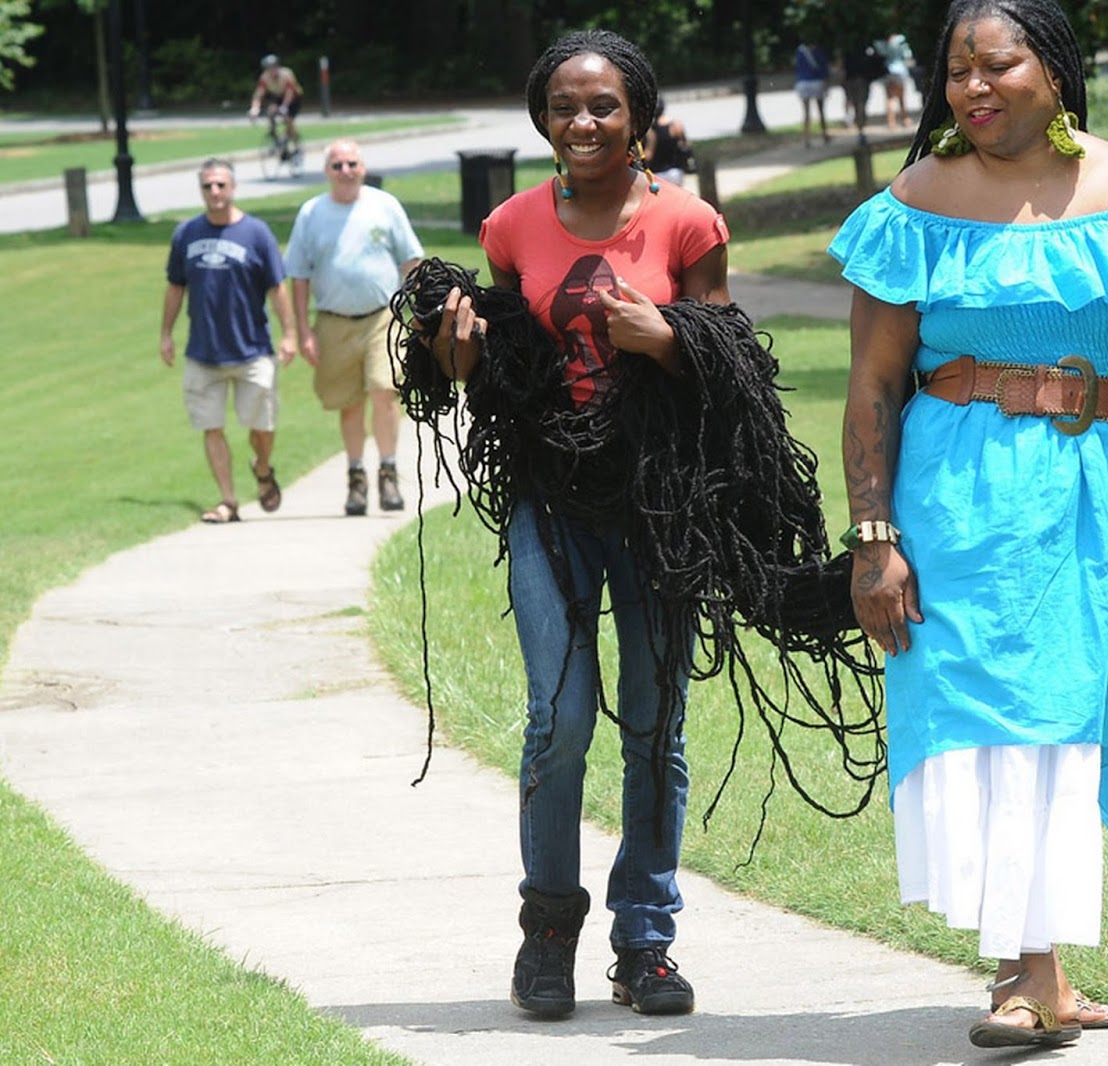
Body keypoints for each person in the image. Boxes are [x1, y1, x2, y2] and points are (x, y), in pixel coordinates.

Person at [832, 0, 1108, 1050]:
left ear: (1052, 67)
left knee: (1062, 722)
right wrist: (875, 538)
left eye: (997, 66)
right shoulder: (914, 204)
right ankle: (1026, 974)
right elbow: (869, 389)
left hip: (1096, 497)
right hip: (952, 500)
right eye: (957, 71)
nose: (973, 89)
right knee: (985, 720)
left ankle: (1038, 966)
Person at [426, 29, 731, 1022]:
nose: (584, 122)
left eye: (603, 105)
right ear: (541, 121)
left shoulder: (689, 225)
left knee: (653, 724)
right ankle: (548, 928)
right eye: (564, 106)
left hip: (659, 508)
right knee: (557, 720)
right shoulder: (510, 225)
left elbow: (734, 373)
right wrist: (460, 357)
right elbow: (505, 369)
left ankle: (646, 940)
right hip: (549, 502)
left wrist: (667, 338)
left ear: (638, 116)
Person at [283, 139, 424, 515]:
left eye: (351, 164)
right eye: (337, 165)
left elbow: (411, 260)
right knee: (349, 403)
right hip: (333, 322)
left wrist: (420, 312)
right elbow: (298, 275)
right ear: (327, 172)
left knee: (384, 391)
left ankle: (389, 471)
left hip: (382, 317)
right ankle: (356, 477)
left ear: (362, 167)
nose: (346, 171)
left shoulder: (384, 206)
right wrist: (302, 331)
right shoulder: (312, 213)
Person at [160, 158, 297, 524]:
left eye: (221, 185)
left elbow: (277, 288)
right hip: (203, 352)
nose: (215, 192)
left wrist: (289, 334)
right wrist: (165, 335)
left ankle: (263, 467)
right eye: (208, 186)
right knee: (212, 426)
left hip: (252, 349)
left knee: (263, 426)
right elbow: (176, 287)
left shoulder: (257, 233)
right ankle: (228, 501)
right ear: (201, 190)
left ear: (233, 187)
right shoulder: (186, 234)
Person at [248, 54, 304, 151]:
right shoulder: (265, 77)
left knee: (288, 121)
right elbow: (258, 93)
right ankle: (275, 137)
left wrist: (284, 106)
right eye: (269, 68)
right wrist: (255, 108)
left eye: (273, 67)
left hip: (294, 98)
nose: (271, 70)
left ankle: (297, 144)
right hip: (279, 97)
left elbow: (289, 91)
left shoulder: (286, 74)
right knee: (271, 111)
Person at [841, 38, 889, 142]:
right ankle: (860, 129)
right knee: (860, 104)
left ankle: (860, 128)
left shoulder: (849, 48)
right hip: (860, 80)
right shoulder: (864, 46)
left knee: (857, 105)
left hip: (854, 79)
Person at [642, 96, 694, 186]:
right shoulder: (675, 126)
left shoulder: (650, 131)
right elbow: (685, 145)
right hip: (675, 172)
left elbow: (649, 155)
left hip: (658, 174)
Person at [793, 40, 832, 148]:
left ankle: (806, 138)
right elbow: (824, 69)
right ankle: (824, 133)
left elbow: (797, 68)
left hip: (803, 83)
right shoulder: (818, 51)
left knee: (806, 112)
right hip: (816, 82)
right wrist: (827, 84)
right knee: (821, 110)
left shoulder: (800, 51)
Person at [876, 32, 918, 130]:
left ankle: (891, 122)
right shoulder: (900, 40)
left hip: (888, 70)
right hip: (900, 70)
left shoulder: (881, 43)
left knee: (889, 98)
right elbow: (907, 54)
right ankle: (904, 119)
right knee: (901, 97)